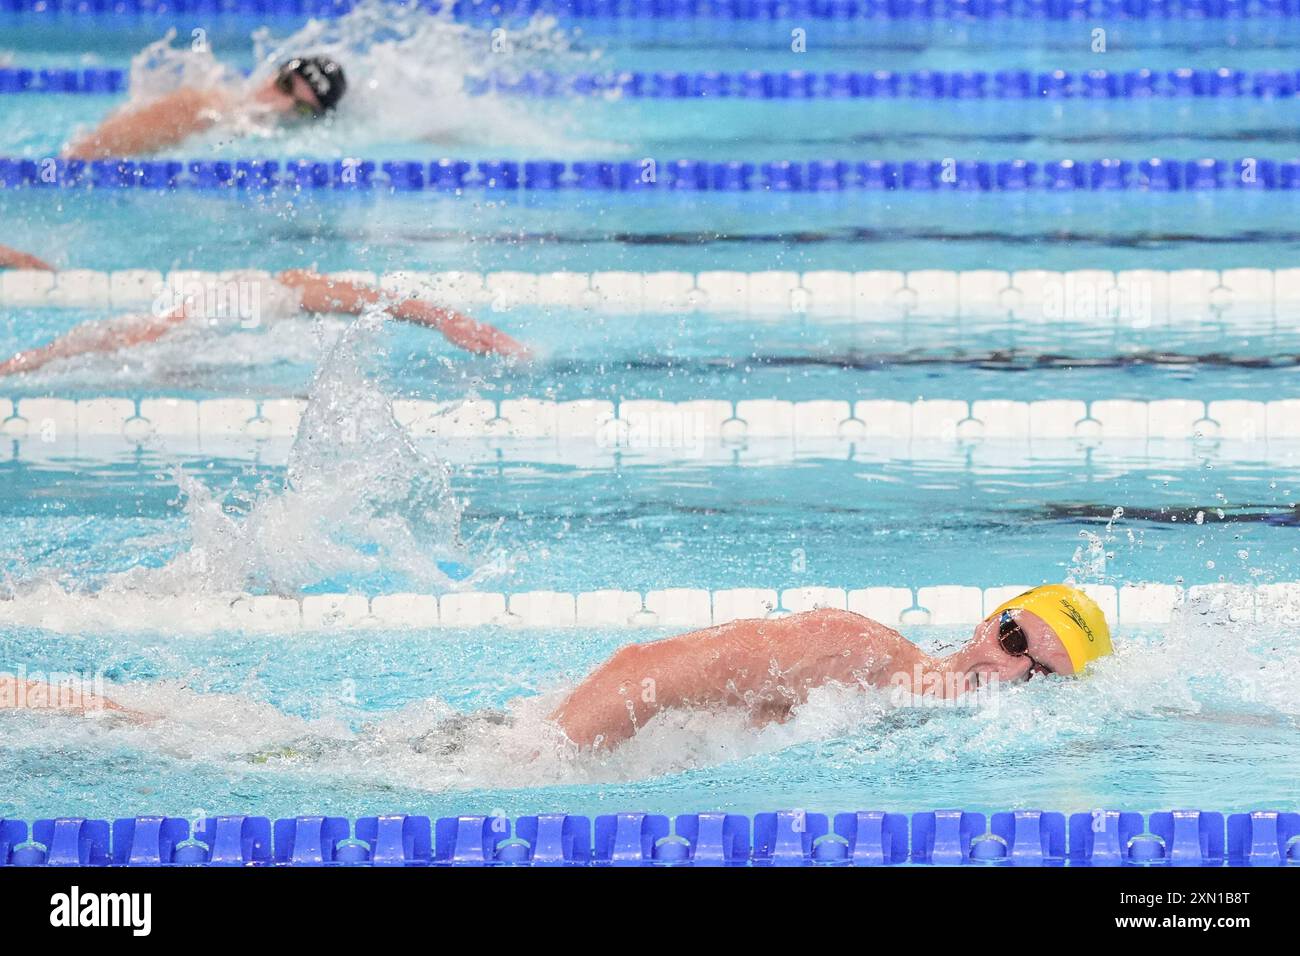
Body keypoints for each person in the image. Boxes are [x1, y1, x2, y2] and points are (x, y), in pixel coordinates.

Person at [2, 585, 1112, 753]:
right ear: (986, 617)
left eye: (1037, 668)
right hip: (545, 753)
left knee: (262, 740)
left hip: (562, 759)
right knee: (251, 751)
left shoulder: (904, 716)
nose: (1004, 662)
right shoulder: (860, 650)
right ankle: (44, 697)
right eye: (1012, 631)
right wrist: (546, 761)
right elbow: (655, 662)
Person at [0, 262, 530, 375]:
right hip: (204, 321)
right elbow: (371, 298)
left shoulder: (263, 294)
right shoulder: (289, 290)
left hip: (204, 321)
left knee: (93, 348)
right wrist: (444, 319)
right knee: (132, 341)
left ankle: (19, 365)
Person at [64, 56, 347, 159]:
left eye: (301, 109)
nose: (283, 104)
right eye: (286, 85)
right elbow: (85, 153)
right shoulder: (201, 107)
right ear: (273, 73)